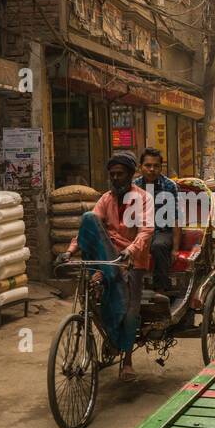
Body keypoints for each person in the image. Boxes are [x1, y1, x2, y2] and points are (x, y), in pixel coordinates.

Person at [60, 152, 154, 381]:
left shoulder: (143, 198)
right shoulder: (106, 198)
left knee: (131, 313)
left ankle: (128, 361)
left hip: (132, 261)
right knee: (88, 219)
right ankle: (109, 337)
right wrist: (70, 251)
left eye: (120, 174)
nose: (115, 178)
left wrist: (129, 251)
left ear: (131, 175)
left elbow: (147, 230)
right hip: (106, 259)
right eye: (112, 174)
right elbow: (88, 228)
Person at [135, 147, 178, 291]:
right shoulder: (134, 186)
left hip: (162, 231)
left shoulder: (169, 185)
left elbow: (176, 218)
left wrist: (175, 249)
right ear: (141, 167)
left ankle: (162, 291)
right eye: (148, 165)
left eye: (156, 166)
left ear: (161, 168)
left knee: (157, 246)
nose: (152, 169)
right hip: (140, 231)